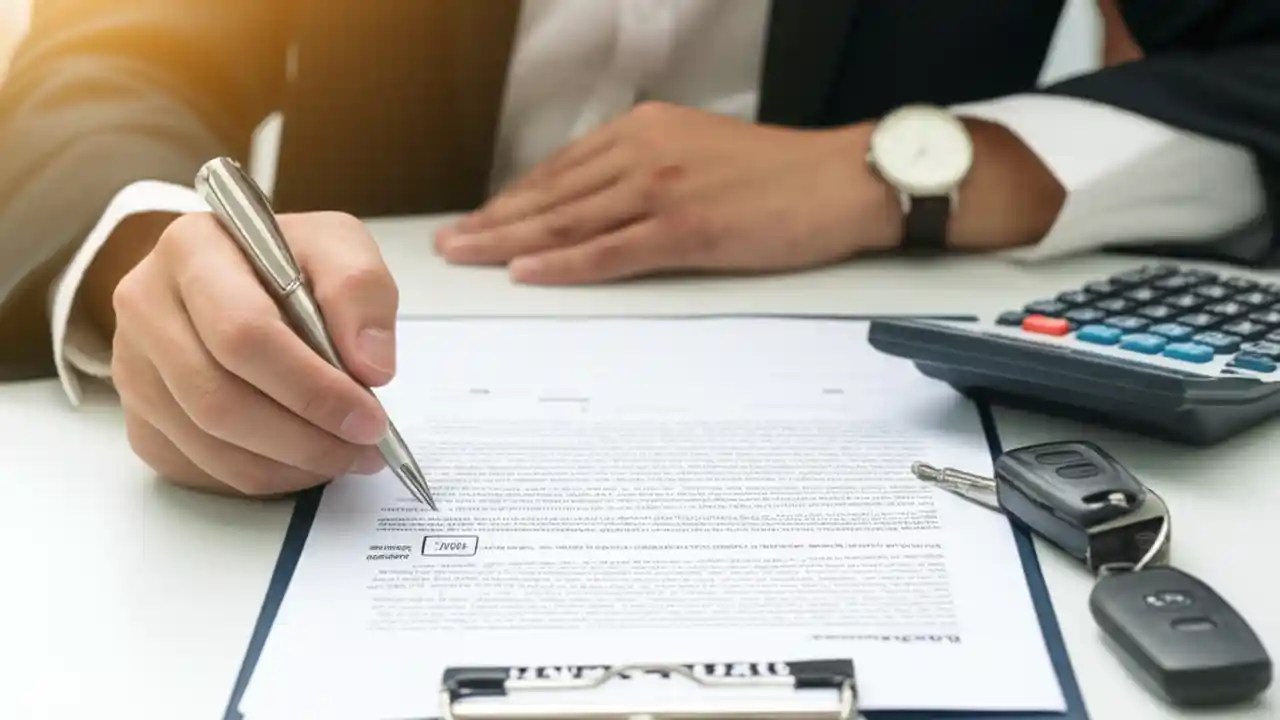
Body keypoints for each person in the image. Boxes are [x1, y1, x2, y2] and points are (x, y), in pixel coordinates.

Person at [0, 0, 1275, 496]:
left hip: (865, 372)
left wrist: (902, 175)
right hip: (363, 366)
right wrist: (149, 247)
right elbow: (112, 54)